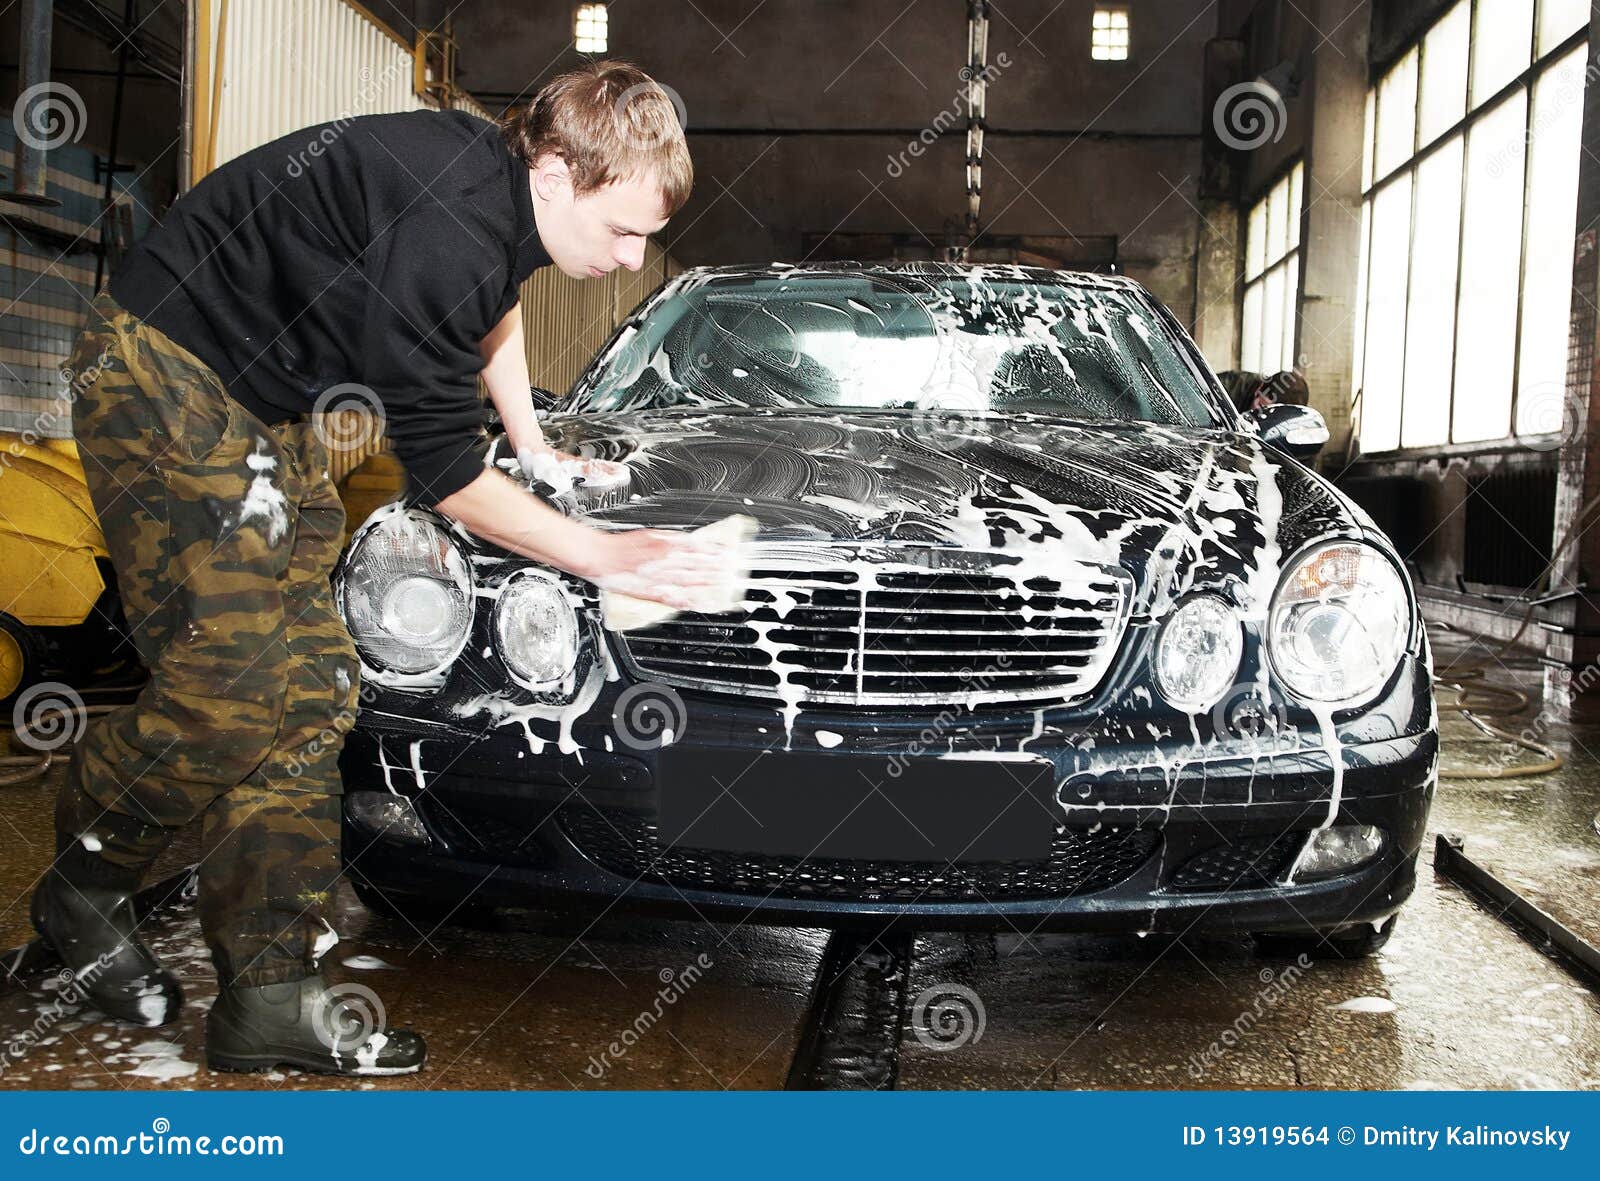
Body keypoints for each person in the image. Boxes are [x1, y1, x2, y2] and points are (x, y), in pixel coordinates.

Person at [30, 61, 715, 1076]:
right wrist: (603, 552)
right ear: (557, 171)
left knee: (310, 687)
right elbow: (443, 473)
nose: (627, 259)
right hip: (161, 366)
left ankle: (269, 994)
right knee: (233, 683)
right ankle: (85, 877)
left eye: (645, 238)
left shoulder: (502, 206)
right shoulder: (450, 223)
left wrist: (530, 445)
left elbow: (490, 310)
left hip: (262, 406)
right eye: (621, 229)